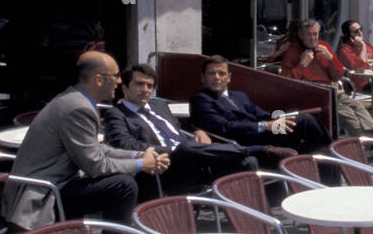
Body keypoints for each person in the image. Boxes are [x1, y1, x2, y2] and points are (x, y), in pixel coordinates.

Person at [2, 52, 168, 232]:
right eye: (115, 76)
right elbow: (95, 166)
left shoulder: (74, 99)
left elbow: (96, 149)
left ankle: (142, 231)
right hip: (42, 195)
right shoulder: (78, 108)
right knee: (123, 185)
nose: (119, 81)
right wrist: (141, 164)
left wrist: (139, 156)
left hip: (59, 183)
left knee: (135, 172)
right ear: (98, 79)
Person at [102, 64, 260, 198]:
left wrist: (197, 131)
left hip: (194, 162)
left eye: (150, 86)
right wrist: (172, 150)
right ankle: (250, 149)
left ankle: (248, 220)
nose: (145, 90)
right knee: (185, 147)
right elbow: (124, 144)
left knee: (247, 163)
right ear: (125, 87)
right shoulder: (116, 114)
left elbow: (178, 130)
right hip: (164, 169)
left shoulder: (159, 106)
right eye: (139, 84)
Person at [190, 56, 330, 164]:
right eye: (211, 74)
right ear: (203, 78)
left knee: (304, 124)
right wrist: (265, 125)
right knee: (305, 121)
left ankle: (325, 159)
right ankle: (332, 157)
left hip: (264, 134)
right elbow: (224, 127)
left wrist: (280, 119)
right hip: (244, 142)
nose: (217, 78)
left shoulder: (239, 96)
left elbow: (262, 114)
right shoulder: (201, 99)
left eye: (221, 74)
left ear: (229, 78)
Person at [273, 21, 373, 135]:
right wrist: (302, 64)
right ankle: (364, 146)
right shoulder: (292, 52)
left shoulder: (324, 47)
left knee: (358, 106)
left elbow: (338, 75)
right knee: (349, 114)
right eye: (309, 34)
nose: (313, 38)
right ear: (301, 35)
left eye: (315, 34)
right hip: (313, 96)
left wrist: (330, 58)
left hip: (333, 93)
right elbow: (286, 83)